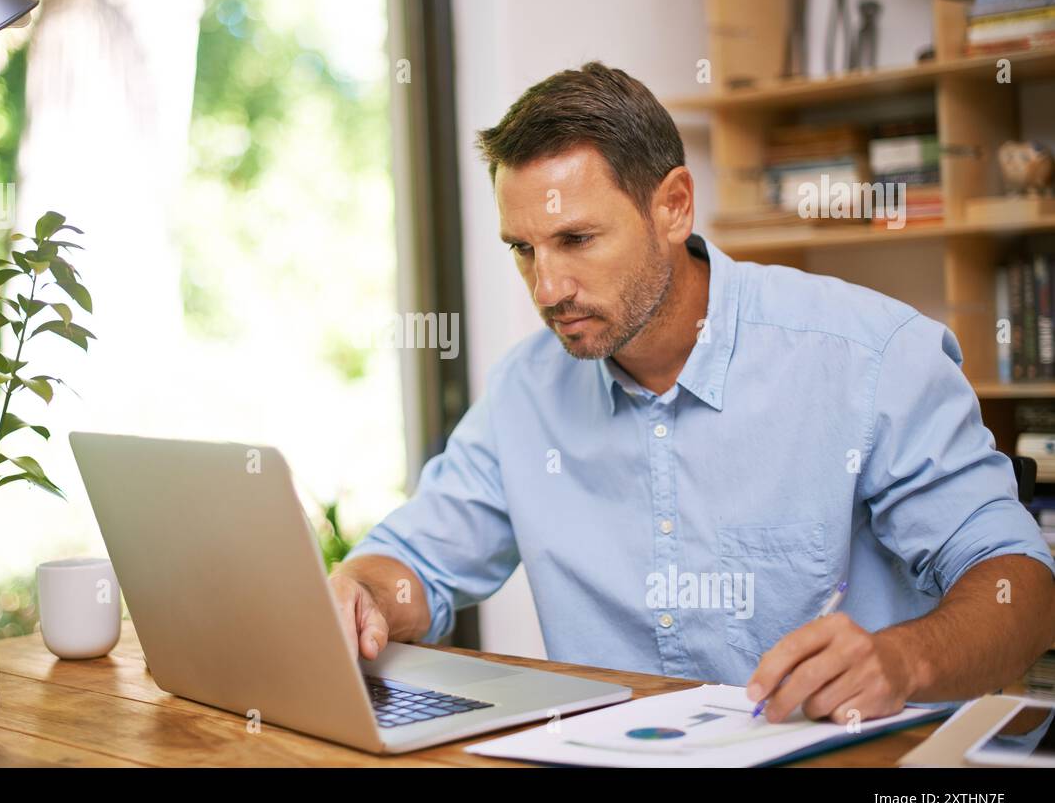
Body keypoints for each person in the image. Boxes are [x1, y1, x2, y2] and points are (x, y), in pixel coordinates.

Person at [331, 61, 1055, 724]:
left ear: (673, 206)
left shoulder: (869, 357)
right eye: (523, 249)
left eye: (577, 239)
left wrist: (903, 659)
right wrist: (360, 591)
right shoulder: (526, 392)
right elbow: (416, 568)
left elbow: (1021, 586)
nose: (547, 289)